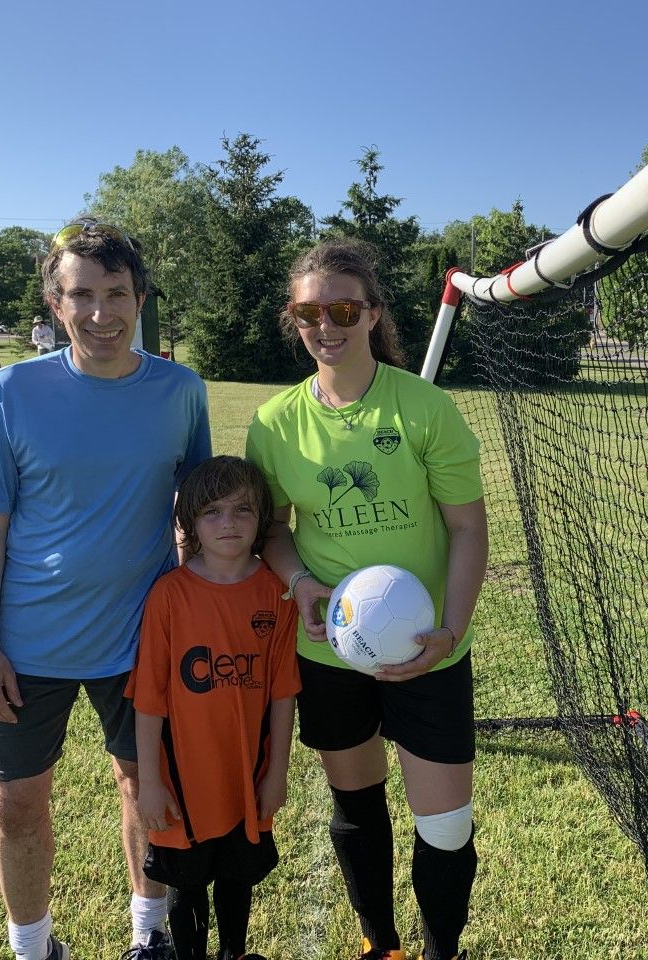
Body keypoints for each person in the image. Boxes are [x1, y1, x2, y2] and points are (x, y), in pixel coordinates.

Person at [0, 217, 212, 960]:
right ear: (55, 304)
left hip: (140, 637)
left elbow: (196, 509)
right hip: (26, 645)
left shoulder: (181, 391)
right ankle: (33, 948)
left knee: (144, 785)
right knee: (17, 803)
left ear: (140, 299)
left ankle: (149, 934)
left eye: (116, 293)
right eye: (81, 296)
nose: (101, 313)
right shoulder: (10, 392)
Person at [245, 238, 488, 960]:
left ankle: (443, 951)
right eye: (309, 312)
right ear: (294, 318)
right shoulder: (274, 423)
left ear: (373, 314)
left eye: (344, 310)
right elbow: (272, 530)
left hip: (430, 649)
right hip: (330, 652)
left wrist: (450, 630)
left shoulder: (424, 407)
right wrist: (300, 584)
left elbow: (467, 528)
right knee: (356, 807)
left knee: (446, 826)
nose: (327, 325)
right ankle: (381, 945)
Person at [128, 455, 300, 960]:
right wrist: (150, 781)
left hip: (246, 771)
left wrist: (276, 773)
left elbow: (283, 693)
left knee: (236, 872)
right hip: (183, 778)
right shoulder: (169, 596)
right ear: (190, 522)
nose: (229, 523)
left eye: (243, 510)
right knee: (186, 878)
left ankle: (234, 953)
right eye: (213, 512)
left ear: (262, 516)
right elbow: (149, 699)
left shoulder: (276, 594)